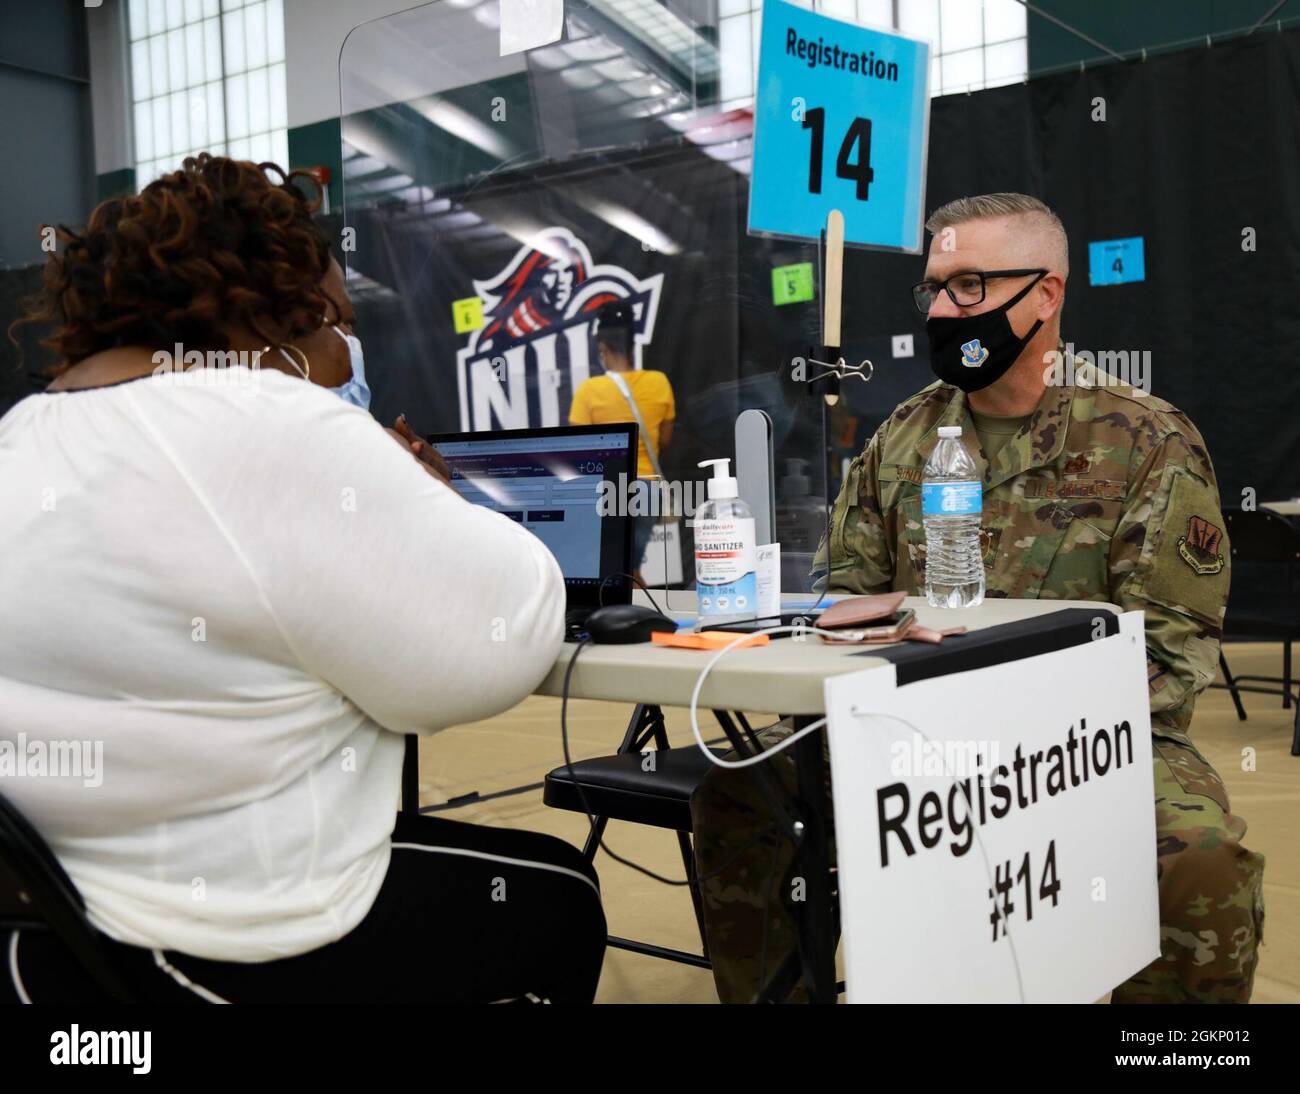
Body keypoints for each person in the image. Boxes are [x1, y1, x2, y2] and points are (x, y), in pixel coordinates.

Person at [0, 154, 605, 1003]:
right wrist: (439, 506)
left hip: (47, 943)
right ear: (274, 315)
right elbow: (493, 641)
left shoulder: (25, 434)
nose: (345, 352)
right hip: (220, 942)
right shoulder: (264, 416)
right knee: (558, 897)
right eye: (337, 323)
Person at [691, 193, 1265, 1004]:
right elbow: (842, 604)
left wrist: (1021, 753)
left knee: (1198, 858)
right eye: (934, 289)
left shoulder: (1146, 440)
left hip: (1089, 740)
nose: (944, 310)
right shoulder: (901, 440)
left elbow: (1167, 663)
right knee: (737, 795)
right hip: (906, 733)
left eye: (971, 286)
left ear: (1047, 294)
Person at [569, 300, 675, 573]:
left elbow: (578, 451)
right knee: (630, 569)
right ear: (632, 345)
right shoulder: (659, 382)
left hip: (606, 491)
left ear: (601, 348)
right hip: (648, 490)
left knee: (611, 571)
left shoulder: (588, 391)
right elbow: (664, 441)